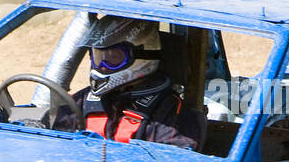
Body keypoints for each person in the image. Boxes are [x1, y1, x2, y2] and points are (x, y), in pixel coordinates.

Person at [54, 16, 205, 150]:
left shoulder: (170, 113)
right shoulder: (80, 101)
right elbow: (54, 147)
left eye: (113, 57)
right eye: (99, 56)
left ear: (143, 56)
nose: (102, 66)